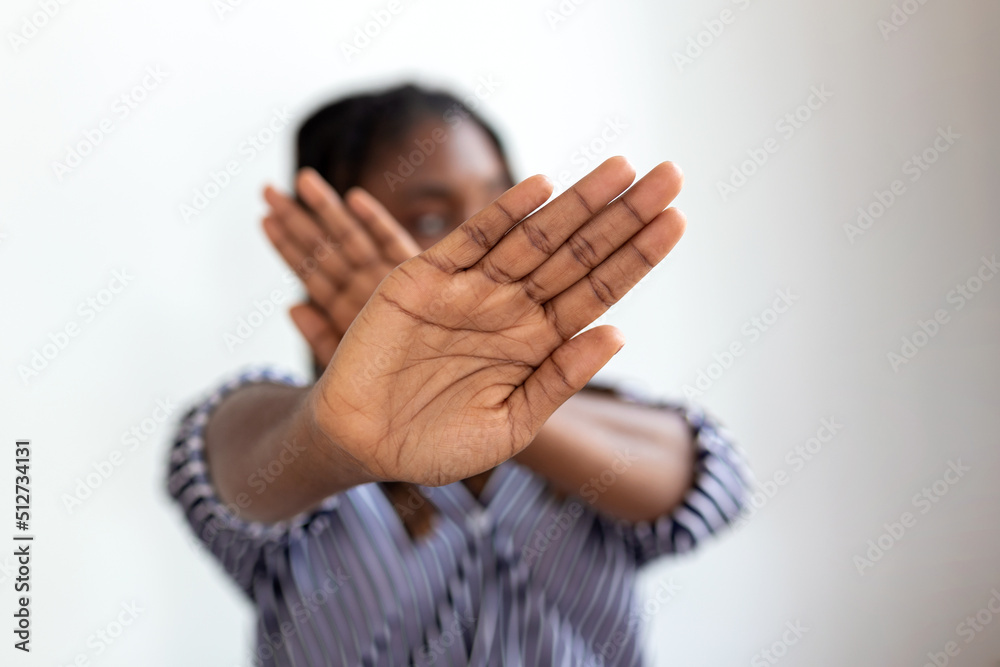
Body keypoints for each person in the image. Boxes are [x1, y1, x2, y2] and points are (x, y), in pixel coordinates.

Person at [166, 83, 751, 666]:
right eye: (427, 219)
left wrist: (504, 404)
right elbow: (229, 476)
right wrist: (334, 432)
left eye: (500, 203)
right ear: (331, 244)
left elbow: (713, 486)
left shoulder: (600, 413)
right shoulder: (288, 438)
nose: (488, 237)